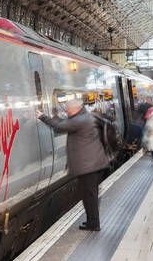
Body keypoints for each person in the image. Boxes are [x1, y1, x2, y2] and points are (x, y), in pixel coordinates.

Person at [39, 98, 111, 231]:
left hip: (89, 166)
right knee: (89, 196)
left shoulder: (81, 120)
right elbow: (65, 122)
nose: (66, 112)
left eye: (67, 109)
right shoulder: (84, 117)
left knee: (90, 197)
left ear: (75, 109)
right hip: (92, 164)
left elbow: (60, 127)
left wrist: (42, 116)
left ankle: (94, 224)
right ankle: (92, 222)